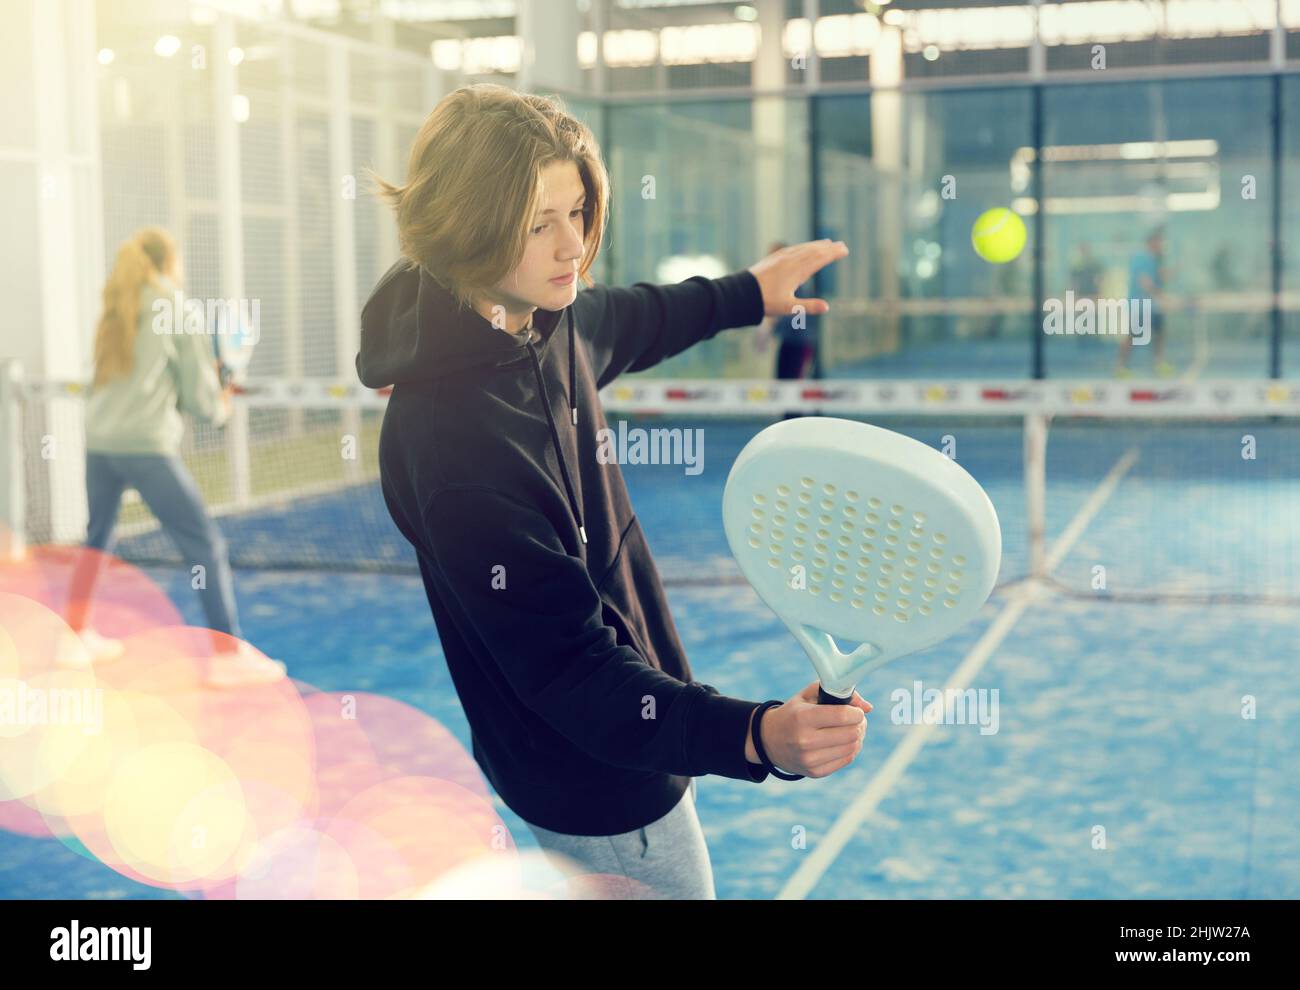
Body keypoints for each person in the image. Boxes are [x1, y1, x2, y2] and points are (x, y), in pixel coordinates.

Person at [358, 83, 867, 899]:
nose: (574, 247)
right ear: (467, 225)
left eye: (578, 212)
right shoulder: (459, 448)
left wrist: (744, 293)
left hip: (626, 746)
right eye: (539, 223)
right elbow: (576, 677)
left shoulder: (530, 320)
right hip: (596, 780)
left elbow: (621, 322)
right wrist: (758, 734)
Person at [63, 226, 285, 688]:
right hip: (145, 446)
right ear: (167, 262)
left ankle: (74, 635)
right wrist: (220, 400)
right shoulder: (175, 305)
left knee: (97, 536)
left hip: (100, 440)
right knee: (204, 544)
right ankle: (226, 654)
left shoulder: (115, 304)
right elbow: (201, 400)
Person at [1117, 226, 1174, 377]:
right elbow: (1145, 282)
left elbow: (1157, 277)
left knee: (1159, 334)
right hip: (1140, 305)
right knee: (1133, 335)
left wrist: (1169, 274)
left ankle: (1159, 364)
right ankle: (1120, 367)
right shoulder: (1141, 257)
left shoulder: (1154, 259)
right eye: (1160, 242)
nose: (1162, 245)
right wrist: (1161, 295)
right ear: (1152, 242)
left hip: (1153, 306)